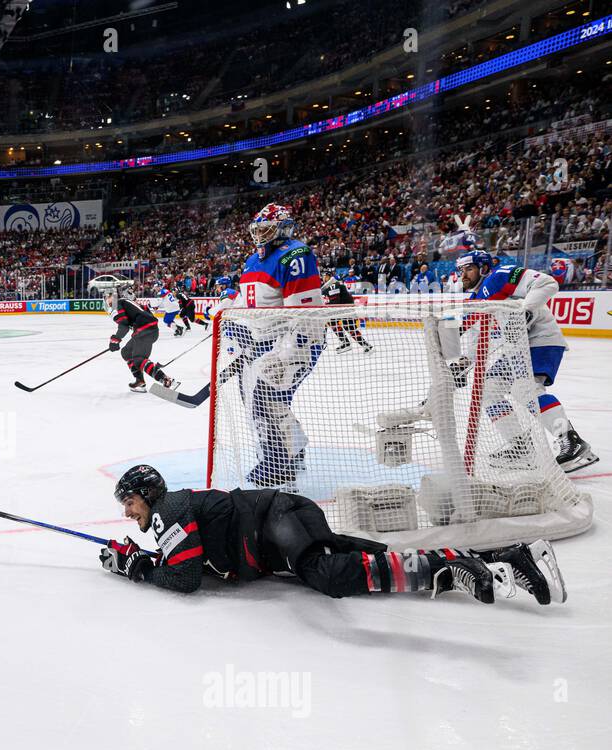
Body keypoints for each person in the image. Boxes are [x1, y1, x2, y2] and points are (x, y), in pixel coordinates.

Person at [98, 464, 565, 605]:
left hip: (272, 521)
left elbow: (184, 580)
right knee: (359, 554)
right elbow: (187, 562)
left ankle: (459, 569)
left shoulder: (170, 507)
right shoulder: (173, 515)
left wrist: (135, 569)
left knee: (326, 573)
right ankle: (497, 555)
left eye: (129, 501)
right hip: (276, 524)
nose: (126, 511)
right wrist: (143, 559)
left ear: (146, 494)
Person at [458, 250, 598, 473]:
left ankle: (572, 441)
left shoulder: (500, 276)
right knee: (489, 389)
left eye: (469, 268)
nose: (463, 275)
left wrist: (525, 311)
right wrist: (464, 363)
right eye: (460, 270)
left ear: (483, 268)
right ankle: (521, 448)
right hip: (515, 350)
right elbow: (477, 338)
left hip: (540, 339)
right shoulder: (474, 302)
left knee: (526, 389)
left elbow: (547, 282)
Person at [224, 203, 325, 487]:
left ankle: (279, 465)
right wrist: (229, 312)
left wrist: (293, 347)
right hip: (266, 342)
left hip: (298, 341)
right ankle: (294, 450)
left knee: (264, 399)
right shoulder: (253, 259)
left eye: (266, 229)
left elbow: (305, 312)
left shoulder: (296, 254)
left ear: (283, 228)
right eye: (257, 230)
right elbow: (247, 302)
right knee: (262, 400)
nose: (260, 235)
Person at [108, 288, 176, 392]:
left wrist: (115, 340)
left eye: (108, 297)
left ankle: (166, 380)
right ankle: (140, 381)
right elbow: (145, 309)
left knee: (139, 359)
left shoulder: (116, 304)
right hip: (149, 330)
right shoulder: (127, 301)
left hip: (144, 330)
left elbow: (124, 325)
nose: (107, 300)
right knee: (126, 352)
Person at [320, 270, 372, 353]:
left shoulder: (333, 285)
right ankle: (347, 343)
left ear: (329, 276)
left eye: (325, 276)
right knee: (334, 322)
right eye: (323, 276)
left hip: (346, 309)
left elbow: (335, 301)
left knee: (349, 327)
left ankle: (364, 345)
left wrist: (326, 307)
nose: (323, 278)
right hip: (343, 309)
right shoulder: (329, 285)